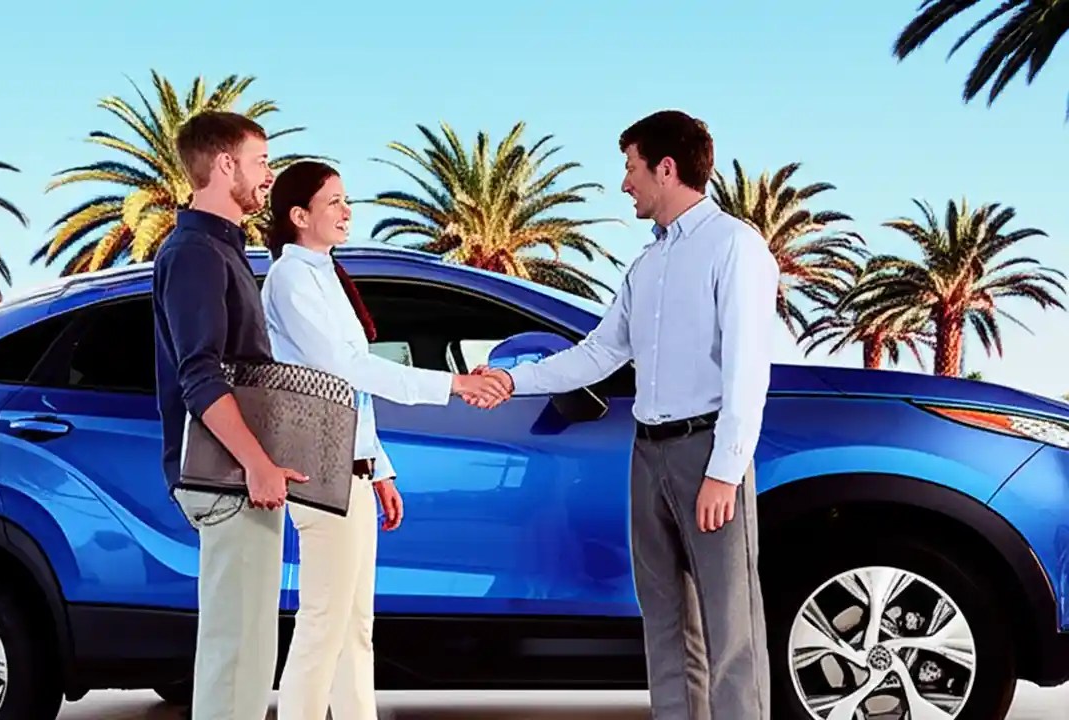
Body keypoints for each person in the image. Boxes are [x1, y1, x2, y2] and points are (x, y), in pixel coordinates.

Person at [477, 110, 778, 720]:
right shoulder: (647, 266)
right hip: (648, 454)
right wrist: (513, 378)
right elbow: (598, 353)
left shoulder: (736, 247)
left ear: (666, 169)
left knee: (731, 630)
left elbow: (749, 368)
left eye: (631, 169)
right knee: (664, 623)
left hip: (705, 453)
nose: (625, 185)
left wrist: (725, 469)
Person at [259, 160, 510, 720]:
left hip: (350, 467)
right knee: (326, 620)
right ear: (299, 216)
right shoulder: (293, 277)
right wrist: (454, 384)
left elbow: (353, 390)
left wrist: (379, 468)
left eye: (347, 200)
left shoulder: (323, 272)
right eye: (333, 202)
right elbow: (346, 369)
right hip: (320, 469)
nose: (347, 211)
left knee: (353, 624)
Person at [152, 110, 307, 720]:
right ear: (224, 165)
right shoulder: (194, 253)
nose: (268, 175)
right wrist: (258, 464)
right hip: (229, 478)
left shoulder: (219, 249)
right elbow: (200, 374)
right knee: (236, 653)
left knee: (245, 648)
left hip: (238, 477)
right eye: (260, 161)